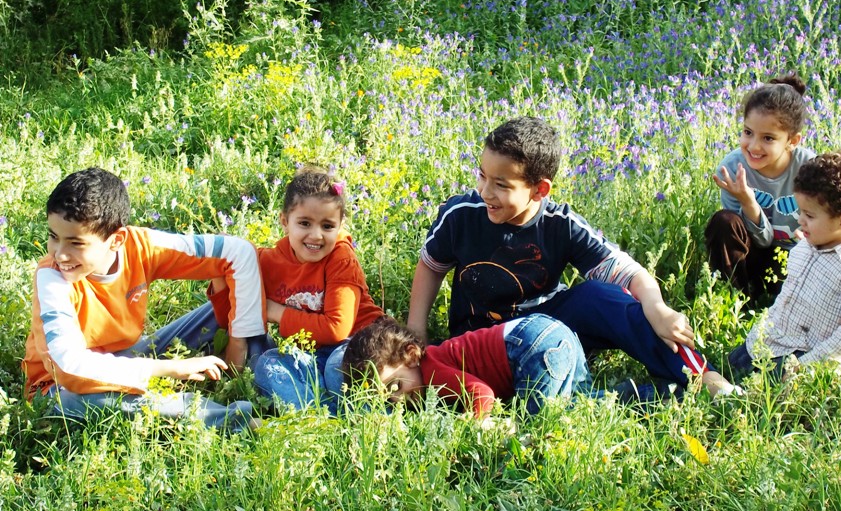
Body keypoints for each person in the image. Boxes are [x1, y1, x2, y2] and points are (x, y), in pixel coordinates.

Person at [406, 116, 737, 400]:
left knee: (604, 295)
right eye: (482, 176)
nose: (485, 192)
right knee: (551, 385)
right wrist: (416, 331)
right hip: (481, 345)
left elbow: (626, 271)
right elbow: (431, 266)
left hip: (550, 324)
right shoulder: (462, 214)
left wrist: (658, 308)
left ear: (540, 190)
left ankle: (701, 377)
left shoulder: (560, 224)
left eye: (501, 185)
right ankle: (632, 398)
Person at [21, 168, 265, 431]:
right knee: (99, 402)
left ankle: (264, 379)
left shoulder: (140, 246)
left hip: (129, 356)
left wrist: (237, 342)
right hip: (58, 388)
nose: (60, 254)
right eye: (53, 237)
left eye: (75, 243)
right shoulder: (51, 277)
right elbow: (69, 368)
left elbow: (238, 253)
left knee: (235, 314)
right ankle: (235, 421)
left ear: (116, 240)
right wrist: (170, 368)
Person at [210, 167, 384, 412]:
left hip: (363, 344)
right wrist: (221, 266)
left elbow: (336, 329)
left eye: (327, 226)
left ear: (340, 225)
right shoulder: (269, 262)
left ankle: (366, 418)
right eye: (304, 223)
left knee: (337, 369)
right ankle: (322, 418)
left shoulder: (341, 258)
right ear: (285, 221)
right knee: (268, 365)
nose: (316, 235)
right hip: (314, 357)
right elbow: (229, 315)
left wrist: (275, 312)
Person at [727, 151, 841, 380]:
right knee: (721, 374)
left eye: (809, 215)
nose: (800, 220)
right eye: (800, 211)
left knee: (752, 395)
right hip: (768, 341)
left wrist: (803, 368)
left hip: (800, 358)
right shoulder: (806, 245)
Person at [340, 314, 595, 420]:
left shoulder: (431, 371)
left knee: (537, 423)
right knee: (584, 405)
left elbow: (481, 392)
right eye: (385, 398)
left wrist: (475, 426)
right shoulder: (427, 371)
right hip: (550, 332)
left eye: (395, 386)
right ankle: (620, 398)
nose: (395, 398)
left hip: (530, 346)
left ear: (412, 355)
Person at [705, 74, 816, 298]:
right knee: (723, 222)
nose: (754, 146)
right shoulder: (733, 169)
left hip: (796, 260)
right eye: (748, 132)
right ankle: (735, 299)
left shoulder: (809, 168)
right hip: (751, 258)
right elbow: (761, 241)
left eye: (768, 138)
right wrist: (748, 203)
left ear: (792, 141)